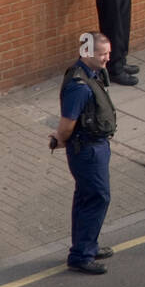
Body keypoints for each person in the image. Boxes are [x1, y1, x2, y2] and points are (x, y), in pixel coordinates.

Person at [49, 32, 116, 274]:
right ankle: (81, 256)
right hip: (87, 150)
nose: (108, 58)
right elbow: (67, 124)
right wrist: (61, 139)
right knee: (97, 197)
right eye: (103, 54)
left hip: (94, 146)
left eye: (108, 53)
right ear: (87, 53)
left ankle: (86, 245)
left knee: (85, 197)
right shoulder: (78, 86)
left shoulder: (90, 74)